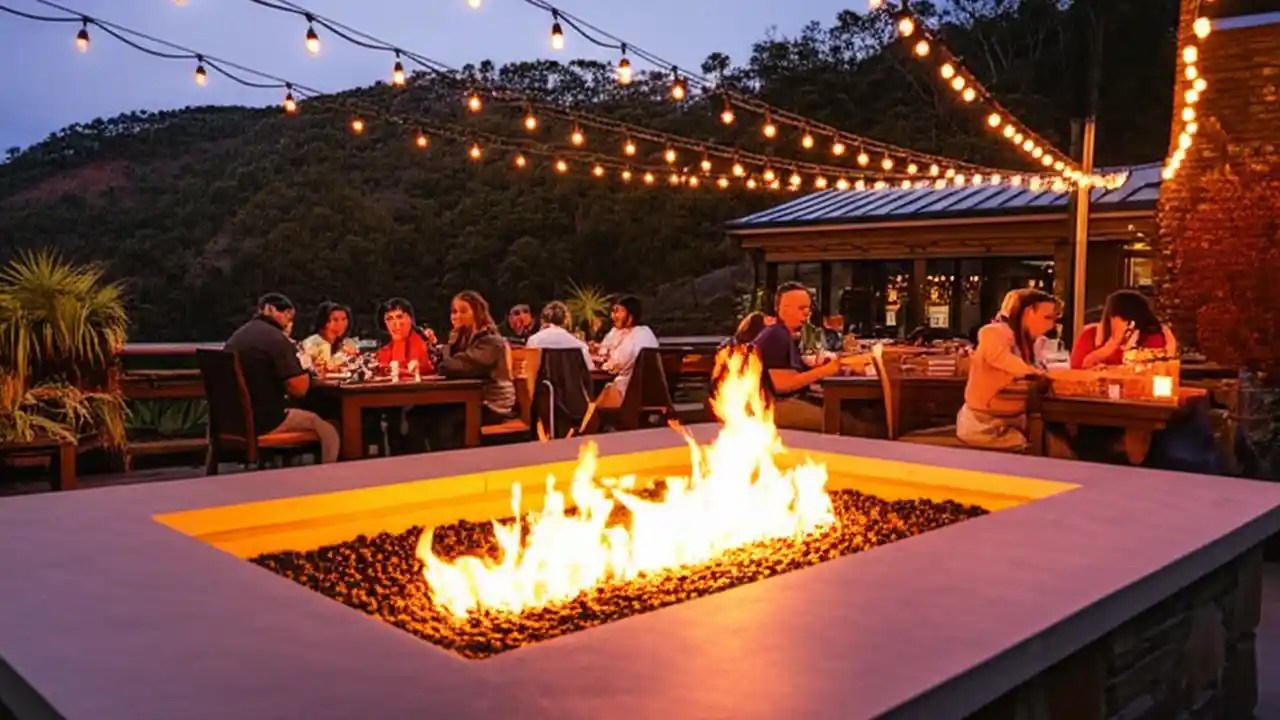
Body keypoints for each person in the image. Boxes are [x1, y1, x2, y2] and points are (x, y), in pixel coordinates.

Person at [223, 293, 339, 463]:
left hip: (231, 420)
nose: (287, 321)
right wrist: (303, 363)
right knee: (328, 429)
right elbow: (299, 389)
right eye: (284, 314)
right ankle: (332, 476)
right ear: (269, 309)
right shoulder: (275, 339)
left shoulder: (239, 336)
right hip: (266, 421)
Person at [753, 282, 870, 433]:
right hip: (772, 407)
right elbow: (782, 385)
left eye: (808, 308)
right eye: (801, 308)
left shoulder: (788, 335)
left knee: (856, 413)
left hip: (786, 401)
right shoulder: (776, 335)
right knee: (850, 425)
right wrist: (827, 370)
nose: (807, 313)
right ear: (783, 309)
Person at [955, 289, 1059, 450]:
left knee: (1058, 440)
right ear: (1028, 313)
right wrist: (1036, 373)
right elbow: (999, 358)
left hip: (1019, 423)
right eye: (1047, 317)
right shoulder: (994, 332)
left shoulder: (1033, 343)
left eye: (1054, 319)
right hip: (985, 426)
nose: (1052, 325)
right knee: (1043, 450)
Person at [1070, 289, 1177, 369]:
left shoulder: (1150, 337)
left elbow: (1155, 371)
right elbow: (1076, 370)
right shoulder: (1091, 334)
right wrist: (1112, 343)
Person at [595, 295, 659, 407]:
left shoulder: (641, 334)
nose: (614, 316)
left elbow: (619, 362)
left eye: (618, 311)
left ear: (631, 315)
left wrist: (605, 362)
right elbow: (603, 349)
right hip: (626, 384)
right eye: (613, 312)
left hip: (631, 388)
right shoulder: (617, 331)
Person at [375, 297, 435, 375]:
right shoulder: (383, 352)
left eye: (399, 317)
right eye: (389, 319)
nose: (396, 324)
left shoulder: (423, 346)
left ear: (410, 319)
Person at [526, 301, 592, 367]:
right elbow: (590, 372)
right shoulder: (580, 346)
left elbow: (527, 370)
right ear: (566, 321)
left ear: (543, 320)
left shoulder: (534, 341)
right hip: (572, 377)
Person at [301, 301, 358, 371]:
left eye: (344, 319)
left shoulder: (348, 343)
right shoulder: (310, 344)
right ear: (324, 322)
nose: (341, 324)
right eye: (335, 320)